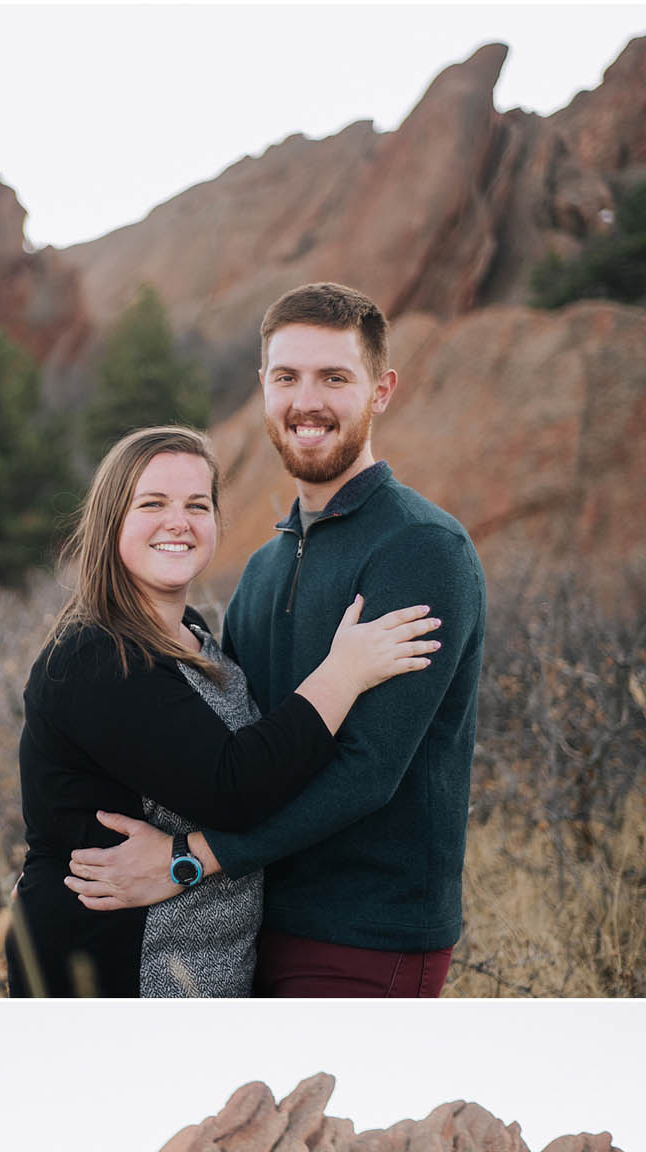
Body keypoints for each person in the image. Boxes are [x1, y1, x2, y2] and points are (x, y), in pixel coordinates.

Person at [66, 284, 487, 998]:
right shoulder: (262, 569)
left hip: (365, 933)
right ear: (263, 386)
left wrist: (187, 860)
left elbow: (367, 770)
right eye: (287, 377)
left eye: (334, 378)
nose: (306, 401)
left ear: (381, 391)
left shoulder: (419, 550)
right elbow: (237, 758)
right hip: (246, 925)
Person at [9, 423, 442, 997]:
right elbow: (233, 787)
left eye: (197, 504)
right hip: (119, 972)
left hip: (209, 969)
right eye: (152, 503)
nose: (178, 521)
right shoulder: (96, 654)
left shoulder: (192, 635)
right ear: (111, 522)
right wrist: (344, 673)